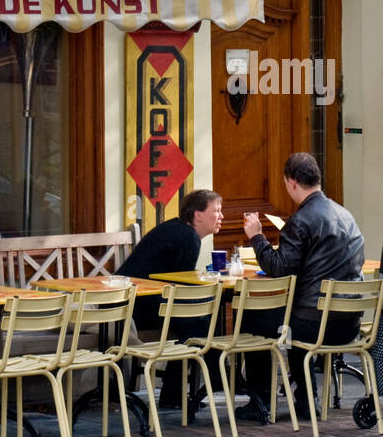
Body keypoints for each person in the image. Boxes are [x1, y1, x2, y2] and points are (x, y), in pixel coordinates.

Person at [238, 151, 365, 421]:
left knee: (254, 316)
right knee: (291, 317)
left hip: (313, 324)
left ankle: (260, 400)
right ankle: (305, 399)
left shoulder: (302, 219)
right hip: (350, 323)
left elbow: (280, 268)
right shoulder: (346, 215)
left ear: (291, 182)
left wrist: (257, 237)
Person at [119, 189, 224, 406]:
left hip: (136, 303)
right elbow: (181, 289)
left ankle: (180, 391)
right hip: (136, 309)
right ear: (198, 215)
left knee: (198, 319)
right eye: (216, 211)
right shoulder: (188, 238)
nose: (221, 216)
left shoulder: (179, 230)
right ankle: (214, 379)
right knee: (200, 321)